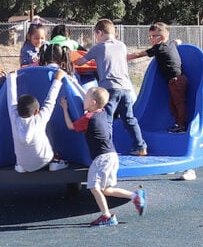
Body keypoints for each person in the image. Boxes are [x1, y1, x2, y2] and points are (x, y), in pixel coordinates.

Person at [59, 87, 146, 226]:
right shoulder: (103, 112)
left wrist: (64, 108)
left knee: (94, 187)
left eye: (85, 98)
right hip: (112, 156)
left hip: (102, 159)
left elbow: (70, 126)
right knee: (106, 190)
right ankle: (135, 196)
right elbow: (93, 97)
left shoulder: (88, 118)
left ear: (93, 102)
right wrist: (76, 84)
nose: (83, 99)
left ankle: (106, 216)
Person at [75, 19, 148, 156]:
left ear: (99, 33)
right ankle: (140, 146)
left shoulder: (99, 48)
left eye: (96, 36)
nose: (96, 39)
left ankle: (107, 150)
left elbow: (80, 61)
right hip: (125, 87)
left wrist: (70, 58)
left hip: (109, 88)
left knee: (106, 120)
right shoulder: (122, 46)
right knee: (129, 118)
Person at [128, 22, 188, 133]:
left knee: (179, 103)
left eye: (154, 36)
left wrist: (124, 57)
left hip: (176, 80)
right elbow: (178, 41)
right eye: (150, 36)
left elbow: (139, 54)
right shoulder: (170, 44)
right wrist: (177, 41)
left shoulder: (159, 48)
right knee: (173, 103)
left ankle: (182, 126)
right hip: (178, 79)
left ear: (163, 37)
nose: (151, 39)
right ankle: (179, 123)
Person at [7, 68, 69, 173]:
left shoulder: (14, 117)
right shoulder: (39, 119)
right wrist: (57, 79)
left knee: (23, 154)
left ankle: (20, 165)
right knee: (49, 136)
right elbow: (50, 100)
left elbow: (11, 98)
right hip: (44, 159)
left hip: (24, 163)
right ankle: (55, 161)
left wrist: (11, 78)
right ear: (36, 111)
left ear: (17, 109)